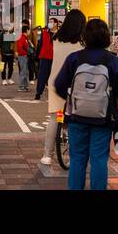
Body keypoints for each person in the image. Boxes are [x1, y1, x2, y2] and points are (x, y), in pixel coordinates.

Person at [54, 18, 118, 190]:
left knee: (77, 158)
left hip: (76, 117)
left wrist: (73, 99)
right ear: (106, 38)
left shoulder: (74, 58)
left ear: (85, 37)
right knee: (99, 159)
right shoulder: (114, 61)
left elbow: (59, 85)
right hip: (103, 118)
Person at [40, 9, 86, 166]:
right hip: (76, 83)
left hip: (56, 81)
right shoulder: (82, 42)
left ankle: (47, 155)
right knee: (76, 119)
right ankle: (74, 152)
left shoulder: (56, 38)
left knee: (54, 117)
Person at [35, 19, 59, 100]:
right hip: (44, 57)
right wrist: (37, 55)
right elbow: (40, 44)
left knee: (55, 76)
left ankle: (55, 94)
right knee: (42, 75)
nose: (50, 23)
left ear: (56, 24)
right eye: (49, 22)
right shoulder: (45, 32)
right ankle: (38, 93)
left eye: (51, 22)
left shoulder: (59, 34)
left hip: (55, 57)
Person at [15, 25, 31, 91]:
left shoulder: (25, 37)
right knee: (23, 71)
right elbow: (19, 48)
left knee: (26, 71)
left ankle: (25, 86)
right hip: (22, 56)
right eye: (29, 30)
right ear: (26, 30)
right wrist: (25, 53)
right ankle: (21, 87)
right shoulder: (22, 38)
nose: (29, 31)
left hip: (24, 56)